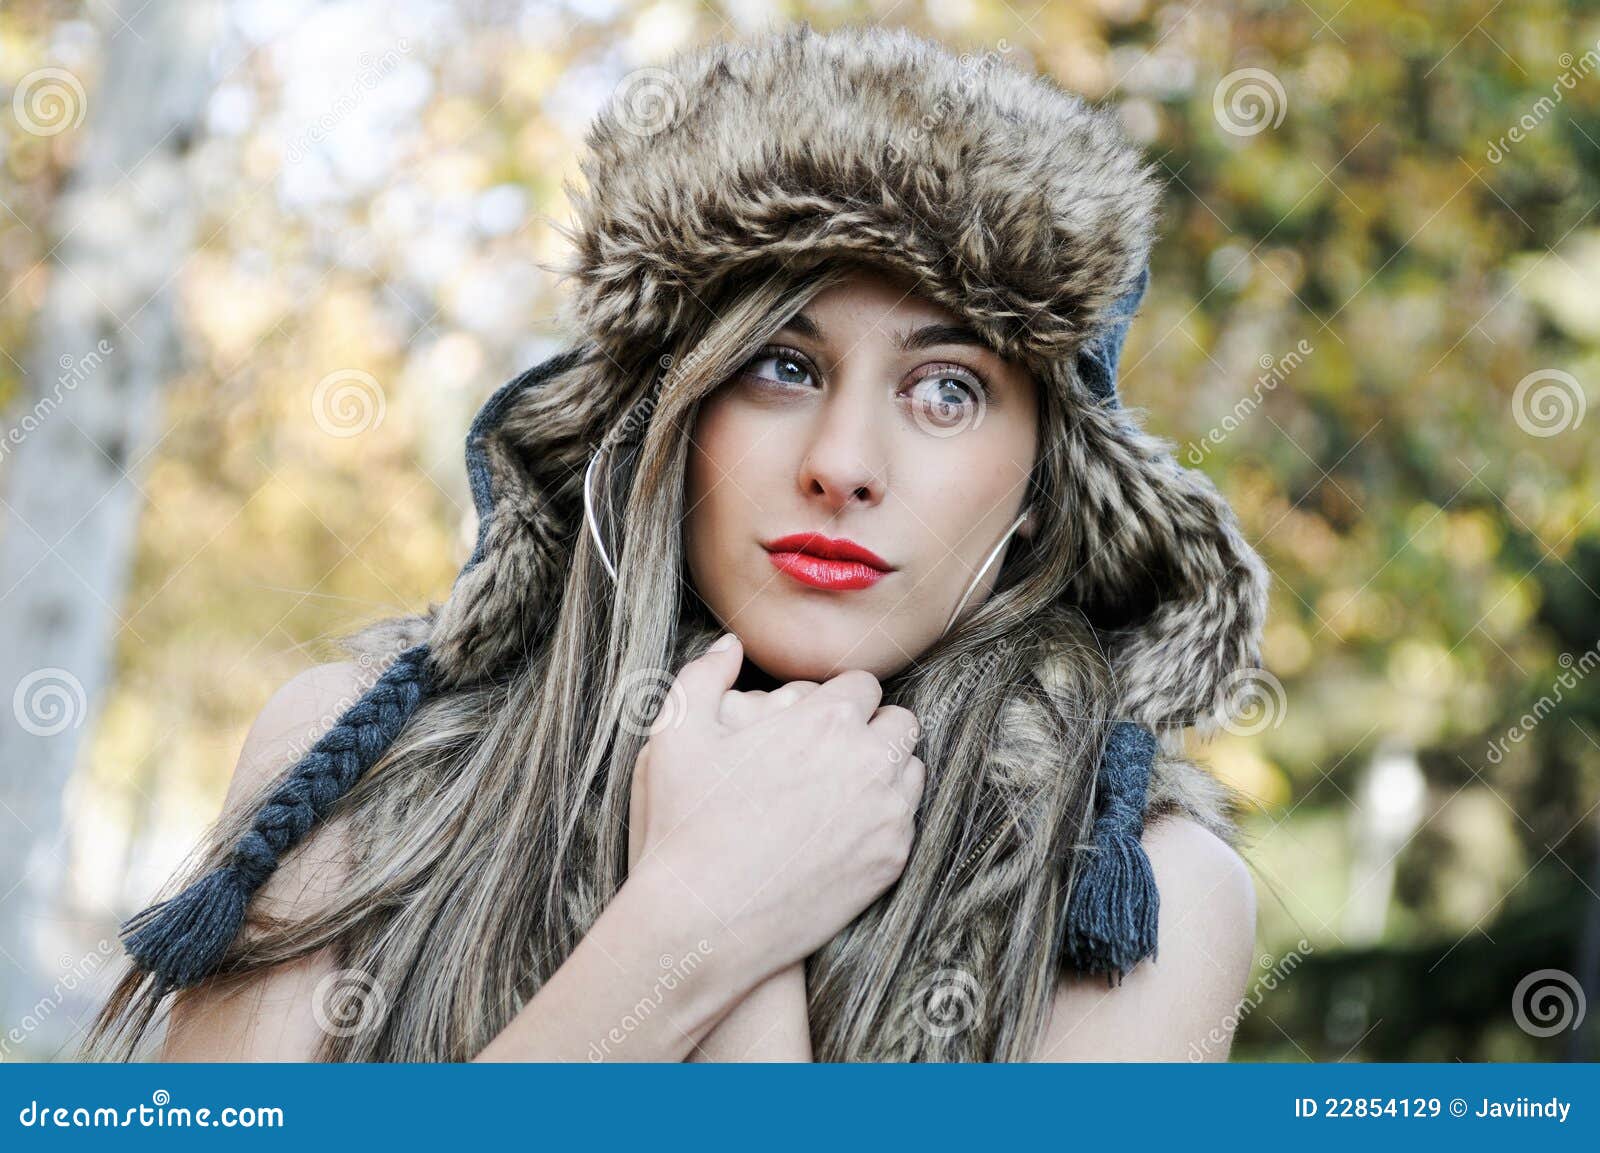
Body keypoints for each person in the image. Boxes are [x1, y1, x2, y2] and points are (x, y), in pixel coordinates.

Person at [88, 22, 1268, 1062]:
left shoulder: (1137, 891)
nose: (844, 461)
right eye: (782, 365)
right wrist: (696, 920)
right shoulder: (358, 763)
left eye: (947, 389)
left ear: (1040, 486)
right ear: (668, 407)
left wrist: (750, 949)